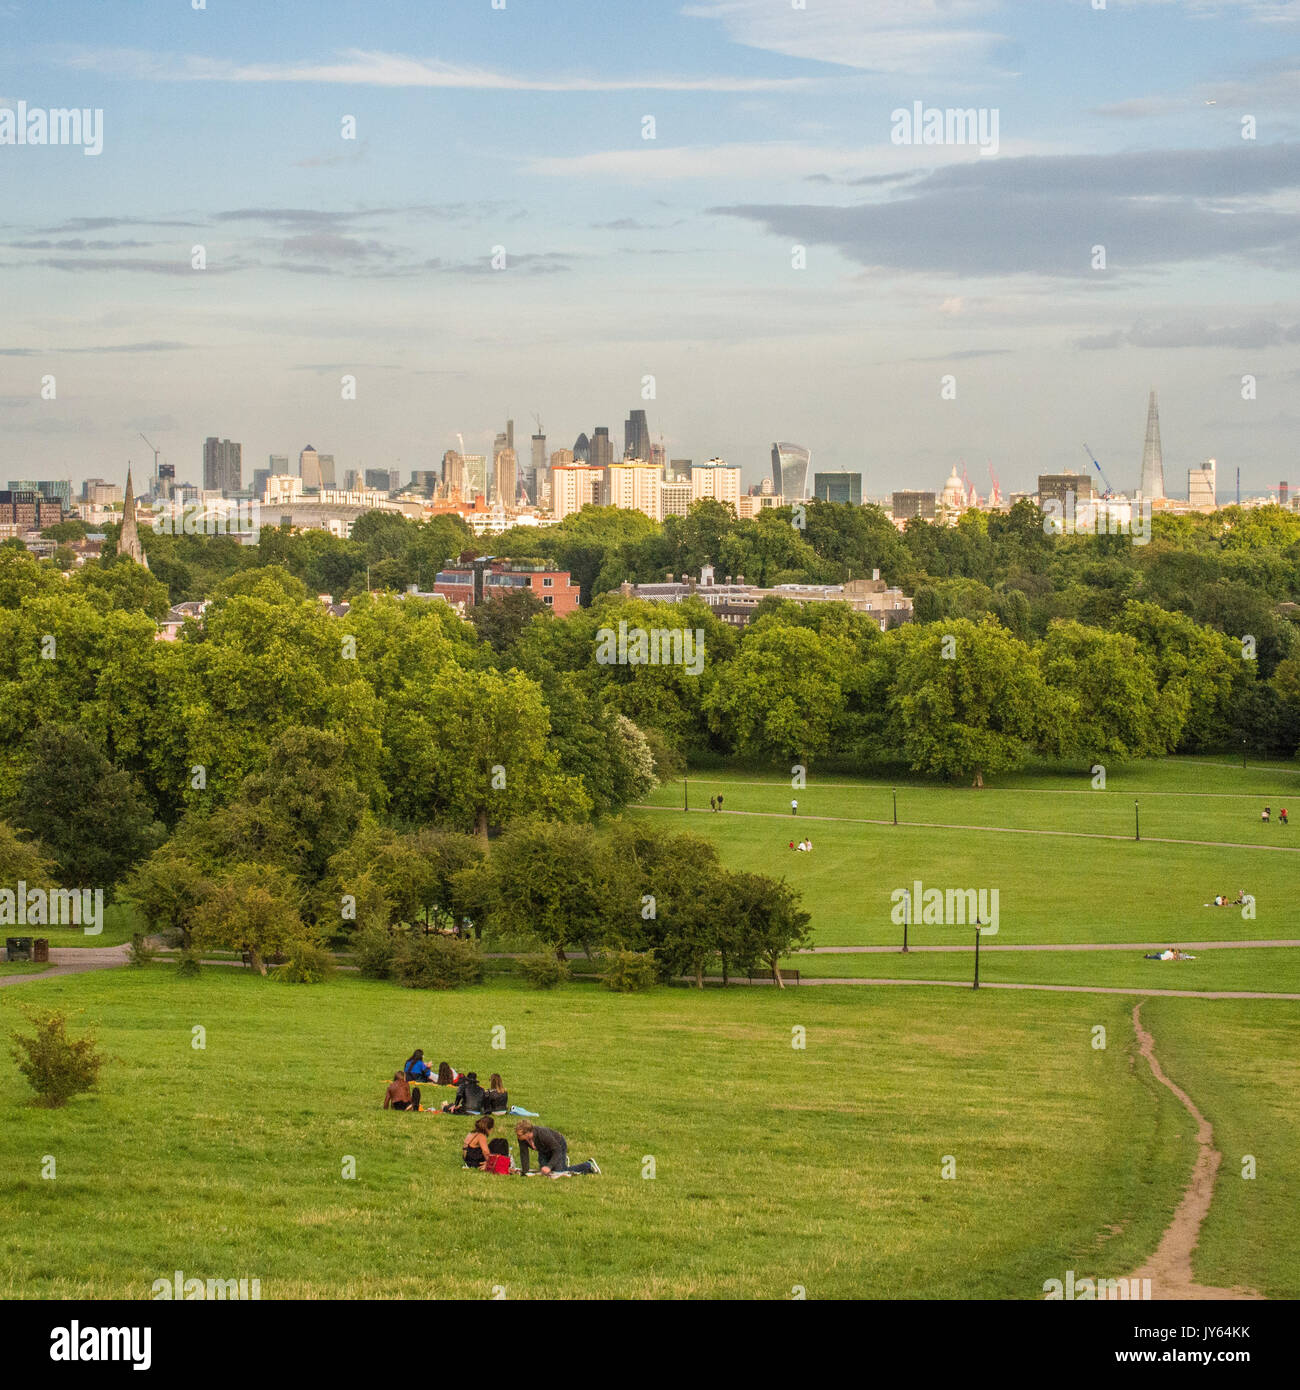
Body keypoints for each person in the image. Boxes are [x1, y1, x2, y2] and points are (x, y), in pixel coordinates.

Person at [515, 1120, 600, 1177]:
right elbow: (524, 1154)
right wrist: (524, 1172)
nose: (518, 1137)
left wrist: (549, 1166)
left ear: (528, 1133)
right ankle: (560, 1161)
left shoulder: (542, 1134)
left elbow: (557, 1150)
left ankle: (588, 1165)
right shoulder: (522, 1139)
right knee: (545, 1173)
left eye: (519, 1135)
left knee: (559, 1172)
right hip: (544, 1150)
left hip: (558, 1146)